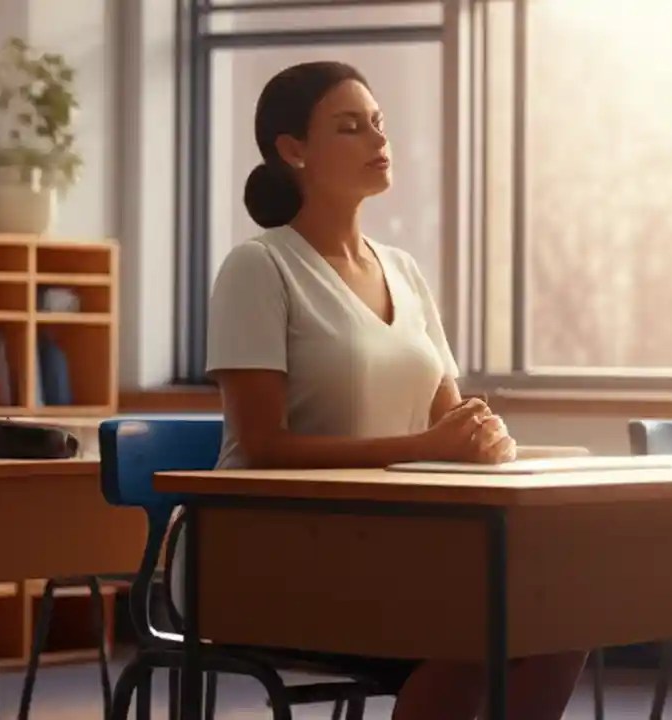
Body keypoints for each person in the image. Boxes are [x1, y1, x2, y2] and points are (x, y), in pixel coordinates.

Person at [202, 61, 588, 720]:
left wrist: (479, 439)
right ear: (293, 151)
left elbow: (451, 419)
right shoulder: (258, 266)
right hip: (270, 550)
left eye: (378, 124)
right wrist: (428, 443)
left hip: (395, 543)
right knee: (479, 620)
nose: (378, 141)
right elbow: (261, 445)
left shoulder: (403, 271)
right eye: (351, 128)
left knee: (565, 613)